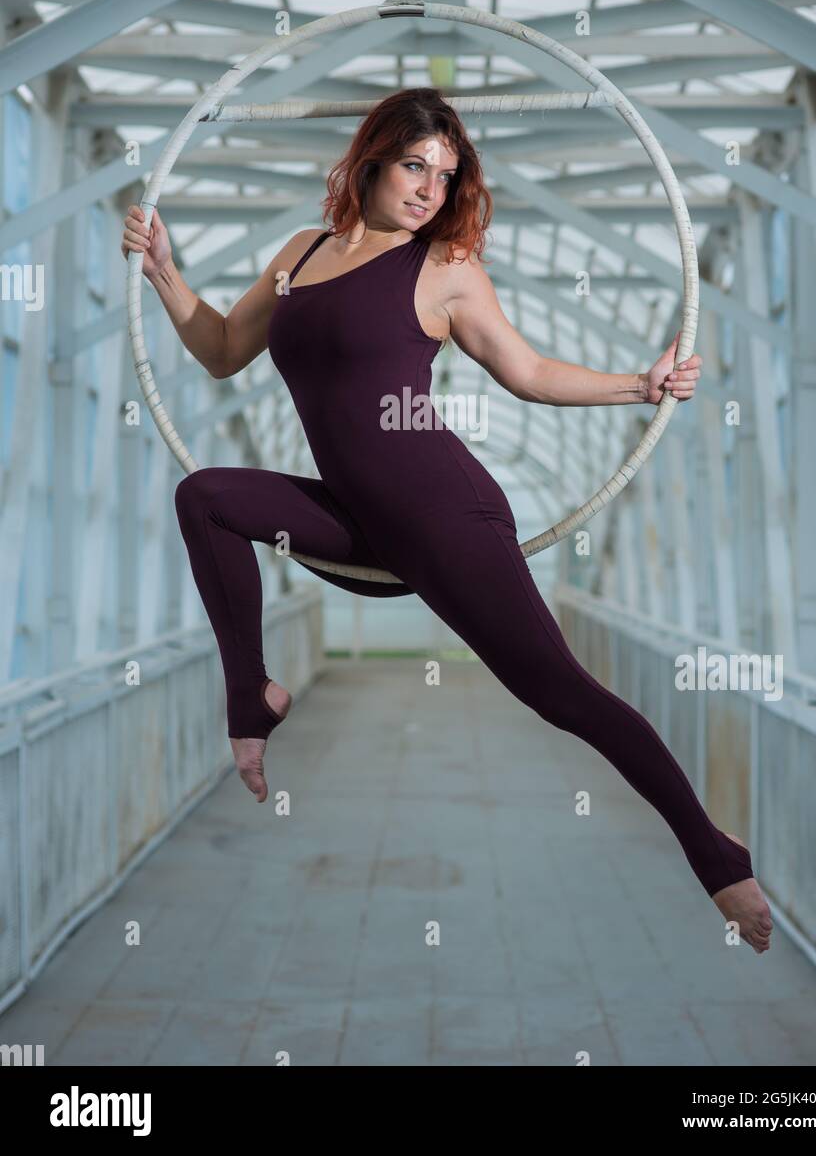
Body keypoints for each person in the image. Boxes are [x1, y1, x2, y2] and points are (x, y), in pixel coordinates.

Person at [122, 87, 773, 953]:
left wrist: (639, 385)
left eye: (445, 174)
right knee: (203, 496)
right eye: (414, 166)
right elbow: (220, 353)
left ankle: (714, 855)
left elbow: (528, 371)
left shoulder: (444, 268)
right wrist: (165, 270)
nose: (430, 188)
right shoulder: (299, 253)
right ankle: (253, 697)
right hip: (356, 520)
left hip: (442, 516)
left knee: (558, 692)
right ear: (372, 158)